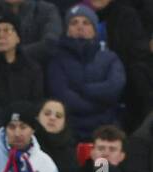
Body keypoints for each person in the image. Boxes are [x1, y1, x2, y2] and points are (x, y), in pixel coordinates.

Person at [44, 5, 125, 143]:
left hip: (105, 130)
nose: (80, 27)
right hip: (70, 131)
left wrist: (84, 89)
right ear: (67, 29)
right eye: (74, 22)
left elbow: (114, 87)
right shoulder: (57, 59)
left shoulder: (110, 58)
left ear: (94, 29)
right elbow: (61, 94)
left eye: (86, 23)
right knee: (71, 164)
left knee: (103, 165)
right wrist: (98, 105)